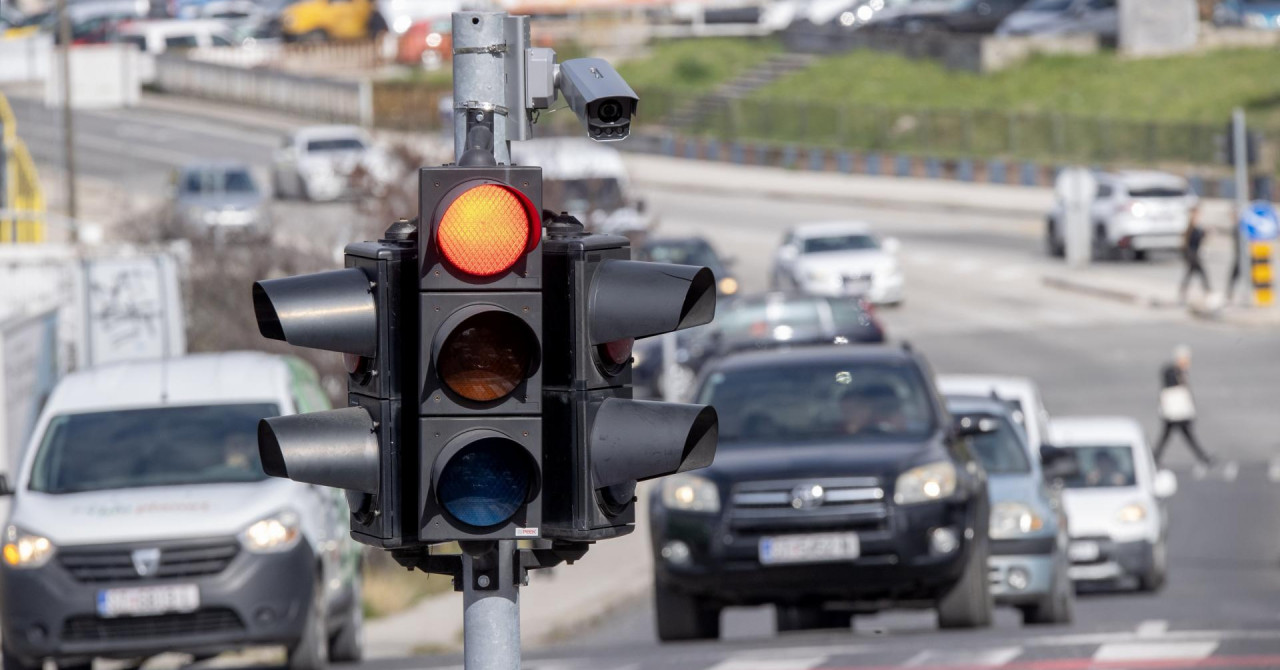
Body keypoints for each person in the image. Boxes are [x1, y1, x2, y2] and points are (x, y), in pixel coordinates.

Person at [1155, 345, 1212, 467]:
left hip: (1176, 414)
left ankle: (1203, 457)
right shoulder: (1172, 373)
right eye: (1185, 359)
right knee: (1180, 436)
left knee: (1169, 437)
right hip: (1175, 414)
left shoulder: (1179, 372)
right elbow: (1174, 395)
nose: (1187, 362)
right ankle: (1203, 457)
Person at [1179, 207, 1211, 304]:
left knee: (1191, 274)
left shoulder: (1196, 227)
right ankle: (1208, 291)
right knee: (1201, 272)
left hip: (1195, 252)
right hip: (1192, 254)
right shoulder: (1191, 227)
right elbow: (1187, 242)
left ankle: (1183, 291)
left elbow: (1201, 238)